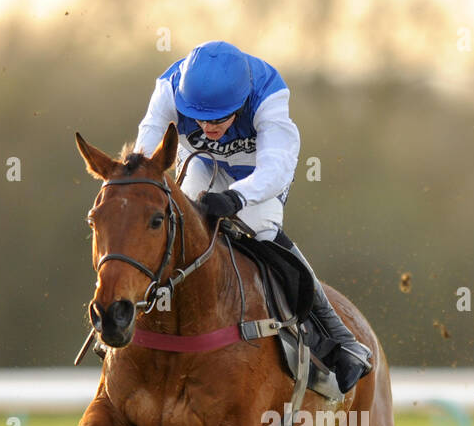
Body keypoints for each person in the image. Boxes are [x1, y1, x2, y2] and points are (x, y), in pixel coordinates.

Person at [131, 40, 373, 393]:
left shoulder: (269, 95)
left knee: (260, 230)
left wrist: (236, 197)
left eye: (220, 118)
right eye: (200, 117)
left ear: (241, 102)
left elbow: (275, 166)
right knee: (173, 226)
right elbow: (145, 154)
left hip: (258, 170)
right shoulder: (169, 88)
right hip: (199, 161)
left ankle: (340, 342)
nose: (209, 127)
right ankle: (127, 319)